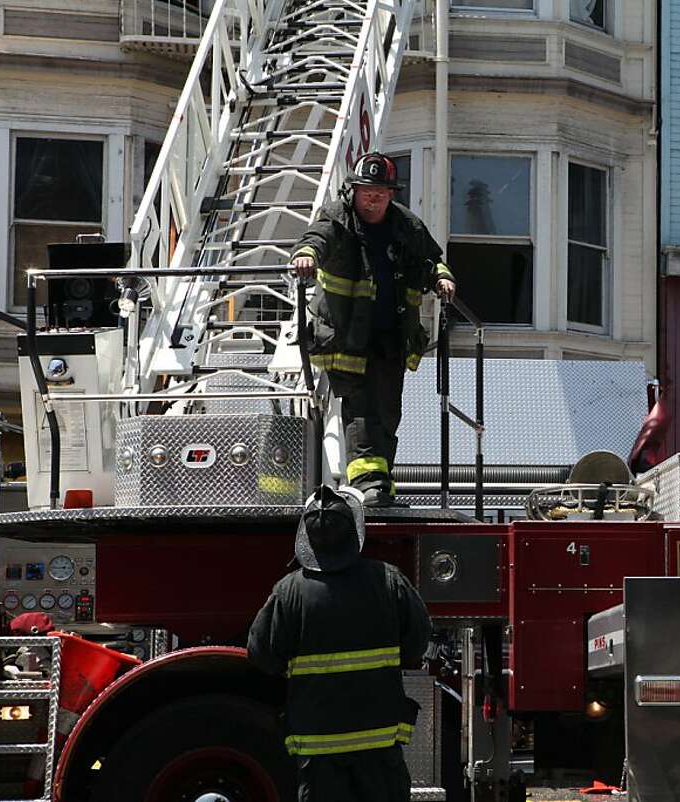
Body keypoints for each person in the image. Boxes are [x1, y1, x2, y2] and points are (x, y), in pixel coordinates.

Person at [291, 152, 457, 507]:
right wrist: (306, 253)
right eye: (367, 190)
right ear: (352, 190)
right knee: (361, 410)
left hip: (391, 338)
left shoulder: (406, 226)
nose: (374, 197)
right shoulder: (337, 217)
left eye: (381, 191)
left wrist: (441, 277)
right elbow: (318, 238)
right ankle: (367, 484)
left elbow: (430, 259)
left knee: (387, 413)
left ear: (391, 194)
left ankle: (381, 486)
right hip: (348, 340)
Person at [247, 485, 432, 802]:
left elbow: (262, 655)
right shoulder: (389, 580)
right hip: (379, 747)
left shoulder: (288, 591)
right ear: (353, 533)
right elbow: (418, 643)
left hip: (318, 751)